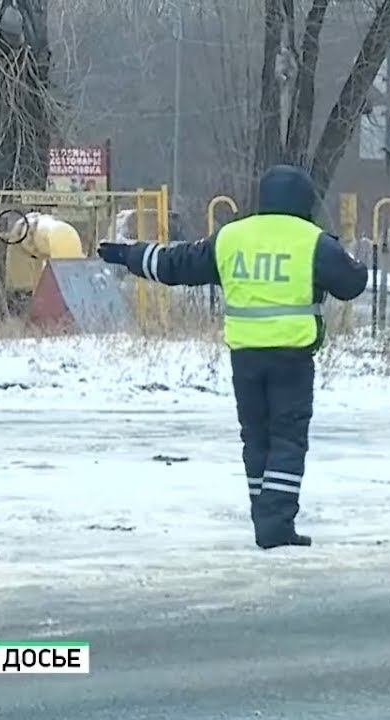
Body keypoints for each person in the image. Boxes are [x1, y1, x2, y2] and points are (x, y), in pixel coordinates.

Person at [96, 165, 368, 549]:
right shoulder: (313, 241)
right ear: (305, 201)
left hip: (245, 358)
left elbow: (177, 265)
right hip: (291, 357)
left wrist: (127, 254)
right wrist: (356, 261)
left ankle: (263, 515)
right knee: (287, 441)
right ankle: (276, 524)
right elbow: (351, 284)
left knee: (256, 440)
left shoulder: (233, 237)